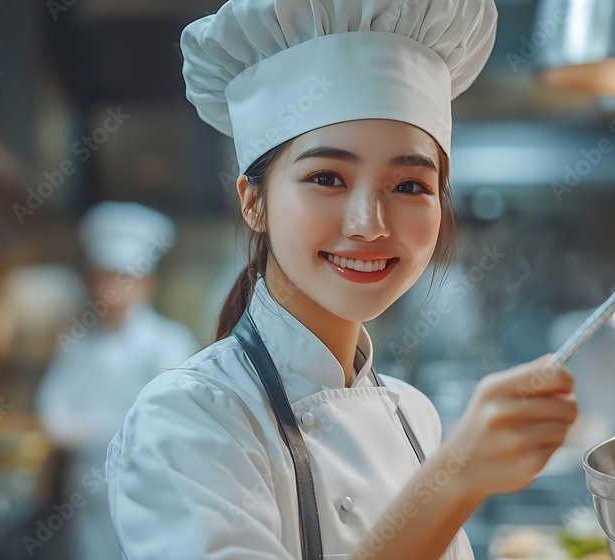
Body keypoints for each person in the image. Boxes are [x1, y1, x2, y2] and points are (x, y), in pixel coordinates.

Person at [106, 1, 578, 559]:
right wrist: (454, 480)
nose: (369, 224)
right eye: (327, 178)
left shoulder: (413, 415)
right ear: (253, 202)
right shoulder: (190, 418)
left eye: (409, 186)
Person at [36, 201, 199, 560]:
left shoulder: (169, 343)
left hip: (149, 494)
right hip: (83, 499)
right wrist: (103, 426)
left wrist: (85, 427)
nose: (110, 289)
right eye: (103, 277)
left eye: (122, 278)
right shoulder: (77, 342)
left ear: (147, 284)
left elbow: (163, 422)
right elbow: (52, 412)